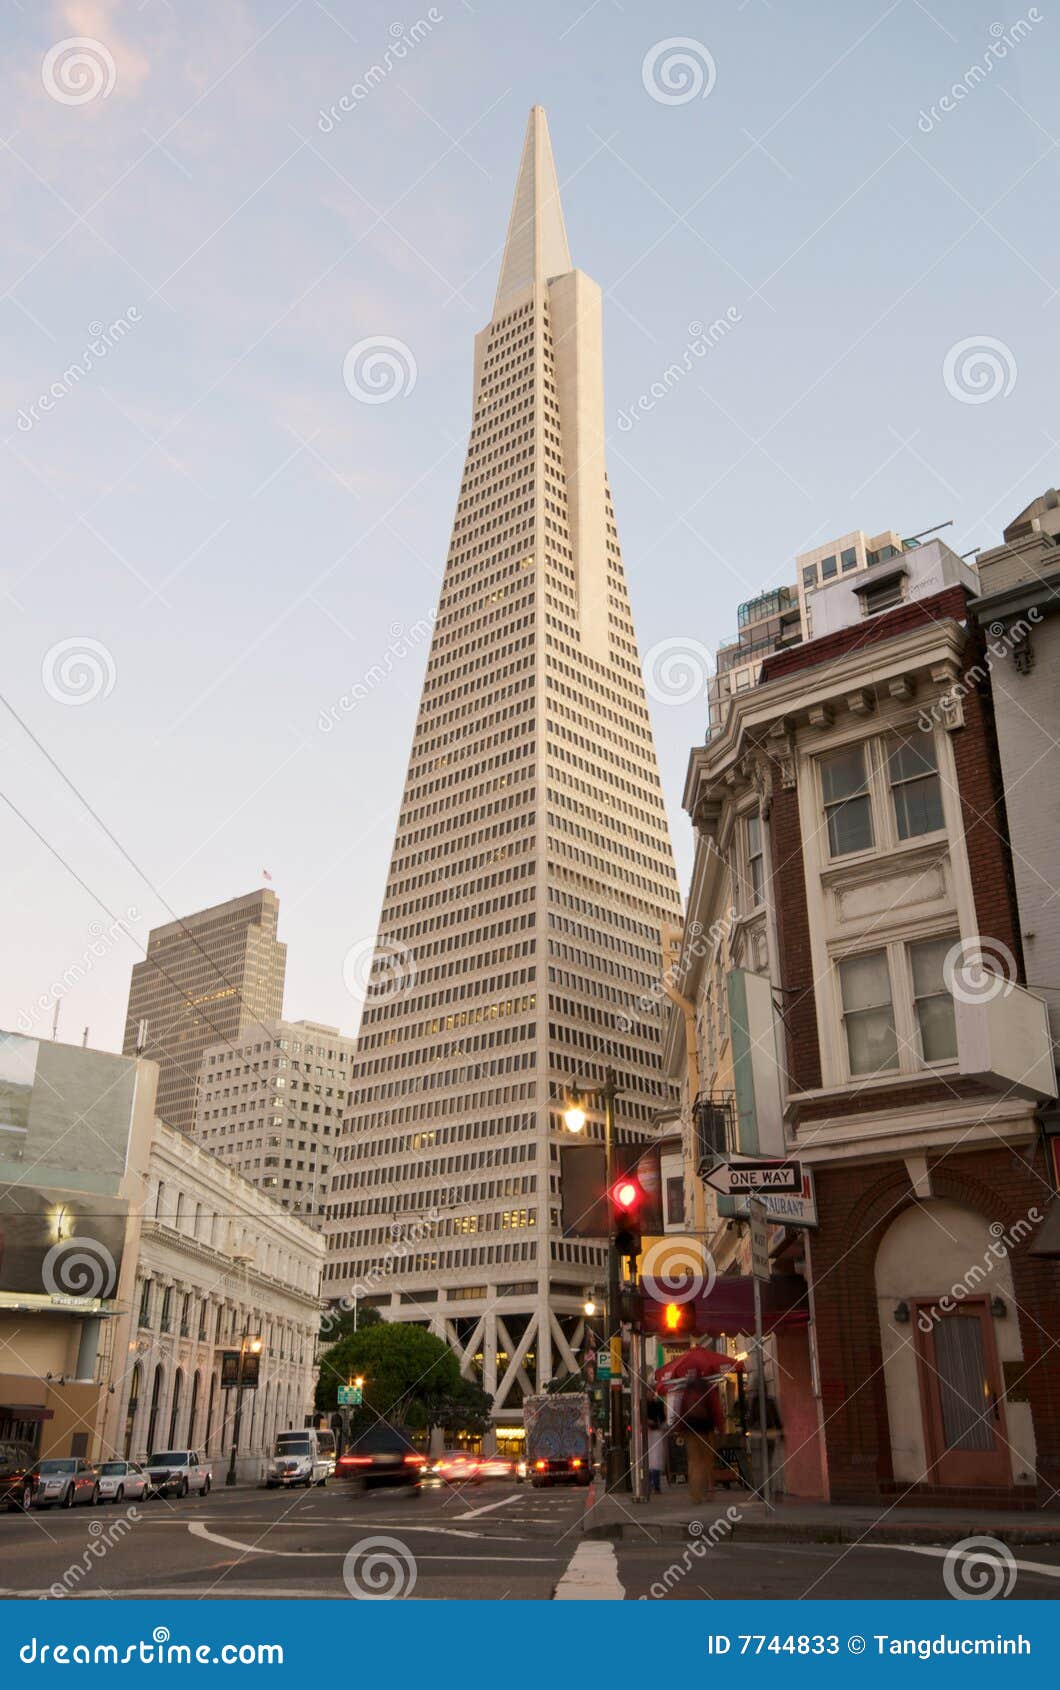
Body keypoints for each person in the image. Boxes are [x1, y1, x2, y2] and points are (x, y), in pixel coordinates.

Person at [679, 1373, 723, 1505]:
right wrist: (721, 1429)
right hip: (705, 1429)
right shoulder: (707, 1388)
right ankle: (708, 1491)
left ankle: (695, 1494)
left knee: (693, 1462)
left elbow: (682, 1411)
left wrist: (680, 1429)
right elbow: (716, 1410)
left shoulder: (688, 1390)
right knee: (706, 1461)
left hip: (690, 1429)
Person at [646, 1399, 667, 1494]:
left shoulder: (642, 1404)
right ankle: (655, 1485)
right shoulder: (658, 1404)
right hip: (655, 1433)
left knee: (652, 1460)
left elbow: (662, 1418)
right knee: (655, 1460)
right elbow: (663, 1419)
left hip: (650, 1433)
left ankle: (652, 1484)